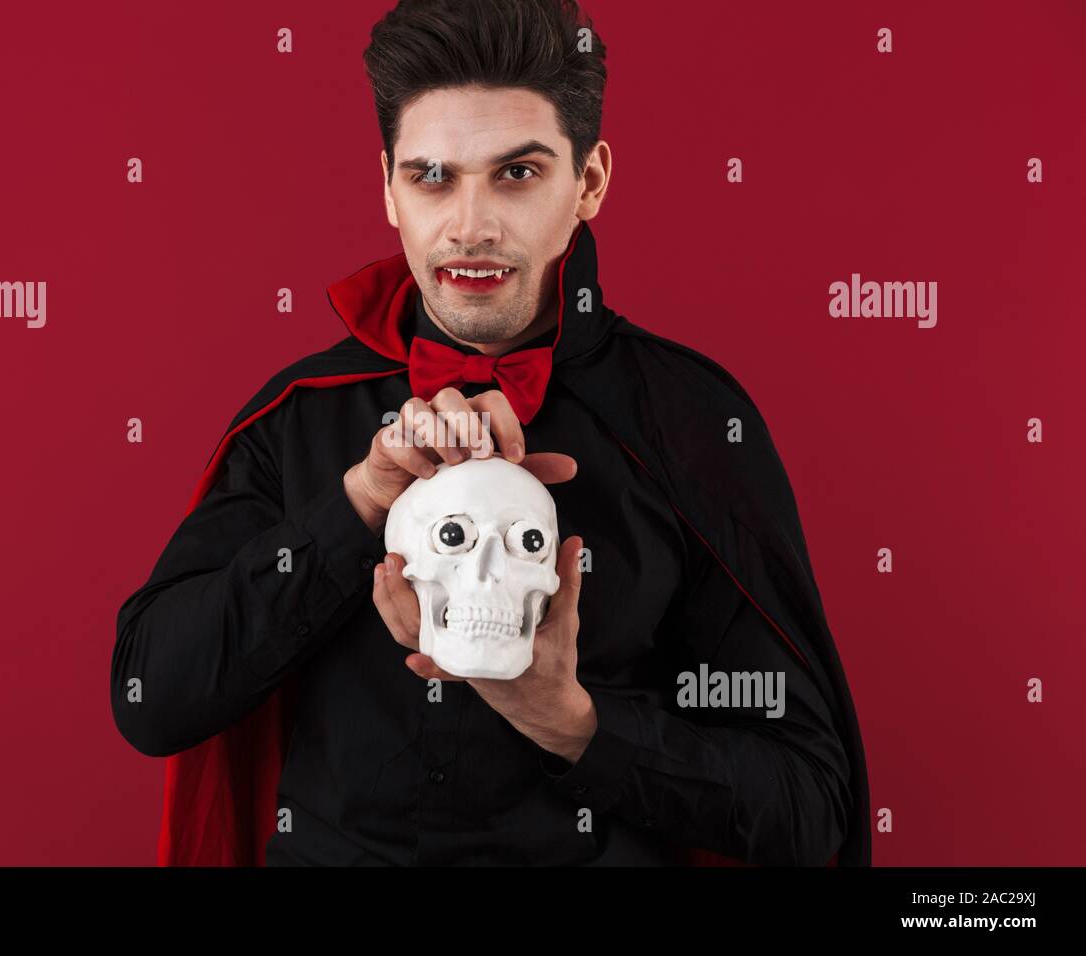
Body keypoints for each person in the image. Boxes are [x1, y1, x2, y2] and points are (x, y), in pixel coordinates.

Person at [112, 0, 870, 866]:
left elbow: (813, 808)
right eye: (434, 176)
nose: (470, 225)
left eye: (516, 174)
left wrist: (575, 724)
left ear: (588, 183)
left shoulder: (693, 425)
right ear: (388, 188)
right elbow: (150, 700)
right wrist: (353, 504)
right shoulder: (295, 420)